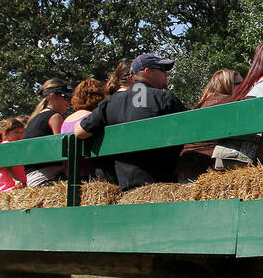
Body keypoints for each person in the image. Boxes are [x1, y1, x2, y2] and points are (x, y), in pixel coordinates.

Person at [75, 53, 187, 191]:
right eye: (163, 70)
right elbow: (193, 128)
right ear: (148, 72)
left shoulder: (109, 104)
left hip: (126, 189)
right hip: (163, 185)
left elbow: (79, 131)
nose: (167, 75)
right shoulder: (164, 99)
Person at [178, 68, 246, 180]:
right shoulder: (229, 102)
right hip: (207, 167)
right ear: (227, 85)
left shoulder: (202, 104)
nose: (244, 87)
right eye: (240, 84)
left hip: (186, 168)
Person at [22, 79, 72, 186]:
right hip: (47, 177)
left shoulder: (34, 119)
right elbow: (62, 149)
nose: (69, 102)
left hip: (32, 179)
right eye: (66, 97)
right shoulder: (55, 117)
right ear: (52, 96)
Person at [0, 117, 28, 191]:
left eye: (21, 132)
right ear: (6, 133)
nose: (19, 135)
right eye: (16, 132)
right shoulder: (6, 145)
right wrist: (16, 179)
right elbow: (7, 165)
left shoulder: (18, 146)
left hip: (20, 183)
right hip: (9, 184)